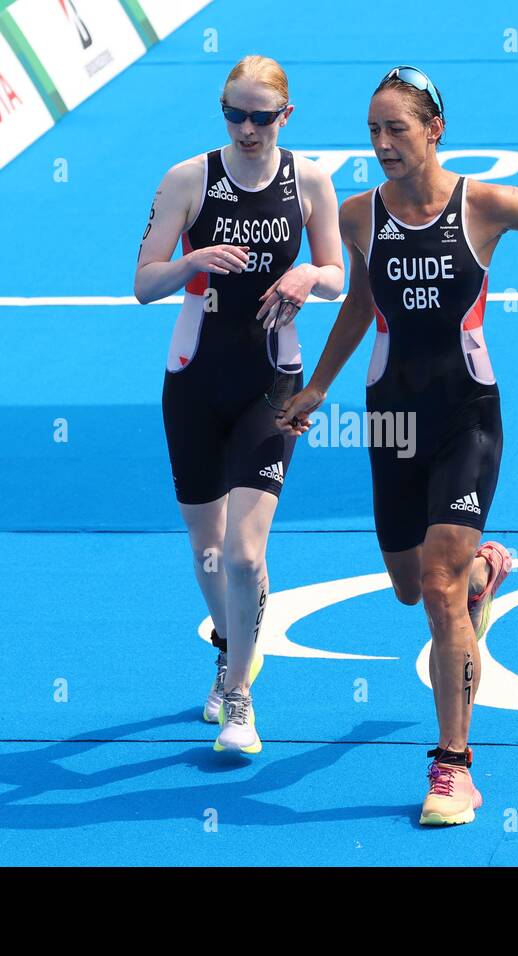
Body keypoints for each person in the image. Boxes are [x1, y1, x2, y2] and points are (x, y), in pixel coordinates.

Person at [277, 66, 518, 824]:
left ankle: (453, 766)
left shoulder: (482, 204)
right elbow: (362, 300)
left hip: (468, 416)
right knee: (409, 585)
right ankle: (480, 580)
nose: (383, 143)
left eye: (397, 128)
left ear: (435, 131)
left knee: (433, 586)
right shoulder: (360, 215)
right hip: (390, 419)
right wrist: (318, 387)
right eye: (373, 130)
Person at [133, 55, 344, 754]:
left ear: (287, 115)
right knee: (211, 551)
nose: (247, 129)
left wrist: (309, 272)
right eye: (234, 115)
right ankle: (230, 647)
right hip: (194, 378)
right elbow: (143, 283)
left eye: (261, 116)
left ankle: (240, 697)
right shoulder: (188, 179)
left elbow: (338, 277)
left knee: (248, 558)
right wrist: (192, 263)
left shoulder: (310, 179)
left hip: (273, 381)